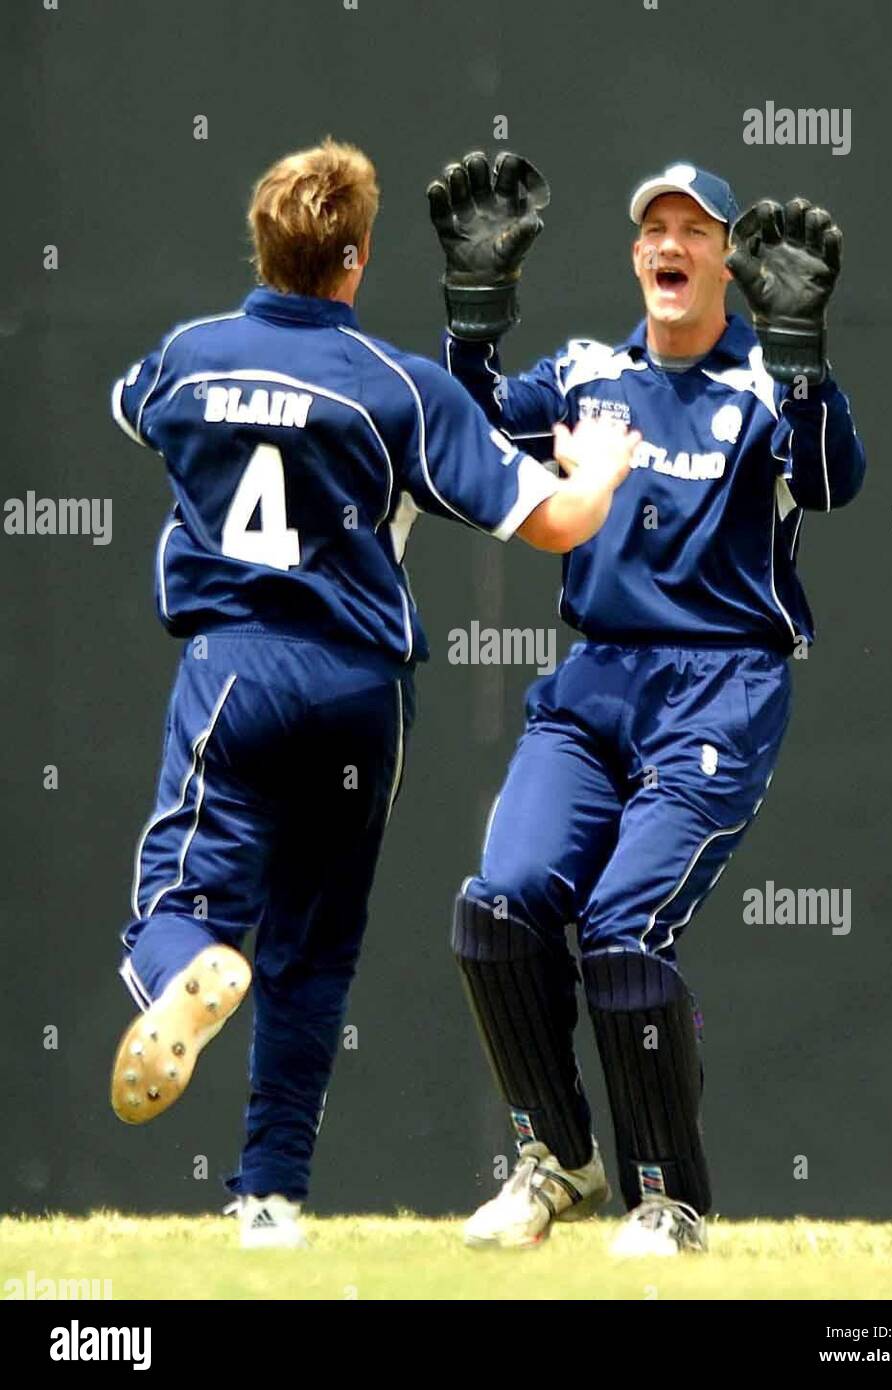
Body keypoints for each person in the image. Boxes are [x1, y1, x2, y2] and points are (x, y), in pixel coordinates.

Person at [108, 137, 637, 1249]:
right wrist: (600, 468)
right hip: (358, 695)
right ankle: (269, 1199)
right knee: (313, 952)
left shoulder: (189, 358)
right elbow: (553, 520)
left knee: (176, 911)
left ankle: (185, 971)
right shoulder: (399, 385)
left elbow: (136, 407)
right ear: (353, 262)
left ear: (262, 242)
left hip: (234, 673)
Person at [427, 152, 866, 1255]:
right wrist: (475, 314)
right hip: (594, 685)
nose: (669, 245)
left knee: (622, 929)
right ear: (633, 255)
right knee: (497, 907)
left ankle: (666, 1197)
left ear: (728, 260)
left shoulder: (764, 385)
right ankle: (552, 1161)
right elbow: (467, 429)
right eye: (652, 230)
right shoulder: (583, 371)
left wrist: (804, 354)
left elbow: (828, 478)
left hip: (718, 690)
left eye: (693, 230)